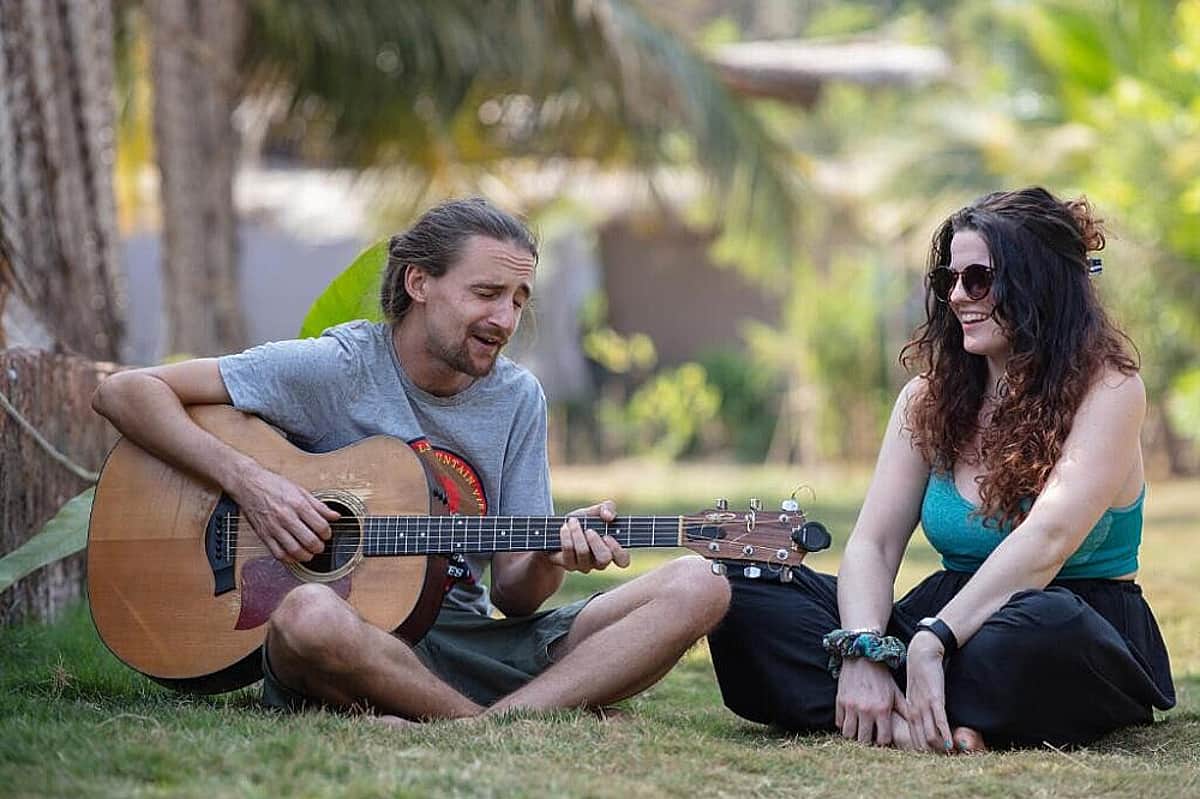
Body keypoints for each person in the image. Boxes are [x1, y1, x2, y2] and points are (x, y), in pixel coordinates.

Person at [92, 196, 731, 723]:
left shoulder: (517, 397)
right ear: (418, 282)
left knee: (701, 582)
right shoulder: (336, 369)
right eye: (487, 292)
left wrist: (549, 553)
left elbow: (515, 595)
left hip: (472, 638)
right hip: (354, 637)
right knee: (309, 615)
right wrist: (253, 483)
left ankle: (480, 722)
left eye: (519, 299)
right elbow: (123, 391)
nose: (505, 318)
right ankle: (500, 720)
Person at [708, 187, 1175, 751]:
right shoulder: (925, 399)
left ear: (1040, 282)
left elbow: (1049, 538)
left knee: (1039, 630)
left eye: (977, 279)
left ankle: (893, 709)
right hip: (945, 617)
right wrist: (861, 648)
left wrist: (933, 640)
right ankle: (919, 721)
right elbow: (874, 545)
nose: (957, 296)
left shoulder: (1111, 390)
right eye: (946, 280)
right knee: (743, 589)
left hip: (1061, 620)